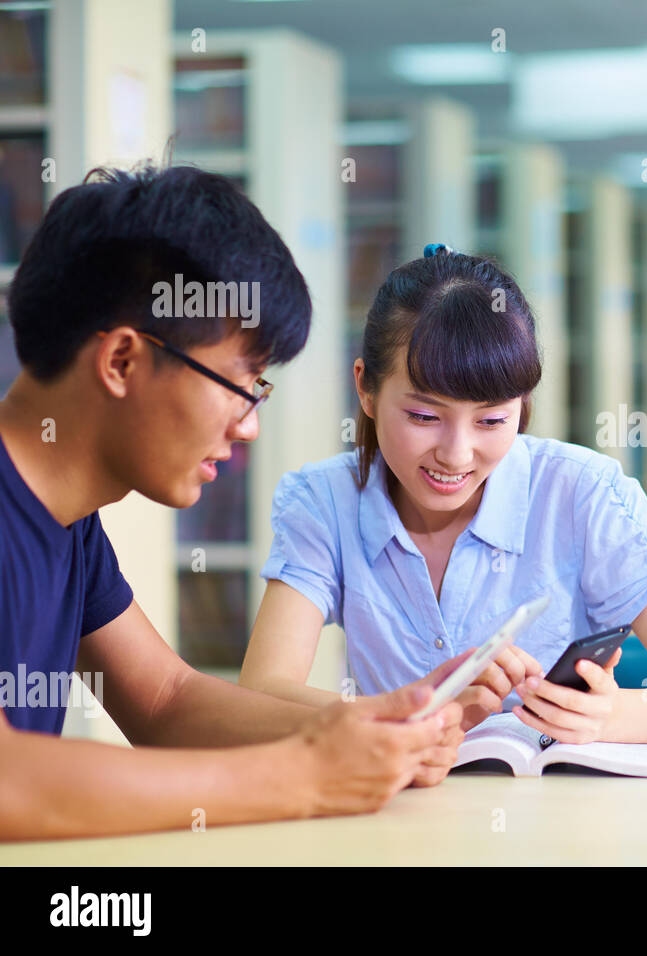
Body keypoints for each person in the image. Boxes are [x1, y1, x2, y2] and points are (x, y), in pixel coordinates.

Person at [0, 165, 467, 841]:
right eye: (241, 382)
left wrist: (360, 729)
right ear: (123, 362)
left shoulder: (66, 521)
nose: (249, 425)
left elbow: (164, 701)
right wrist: (305, 778)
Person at [239, 244, 647, 744]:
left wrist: (611, 716)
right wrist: (413, 708)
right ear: (366, 389)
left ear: (522, 406)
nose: (457, 454)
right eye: (423, 416)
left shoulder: (582, 493)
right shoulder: (325, 500)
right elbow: (259, 699)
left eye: (492, 420)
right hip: (400, 817)